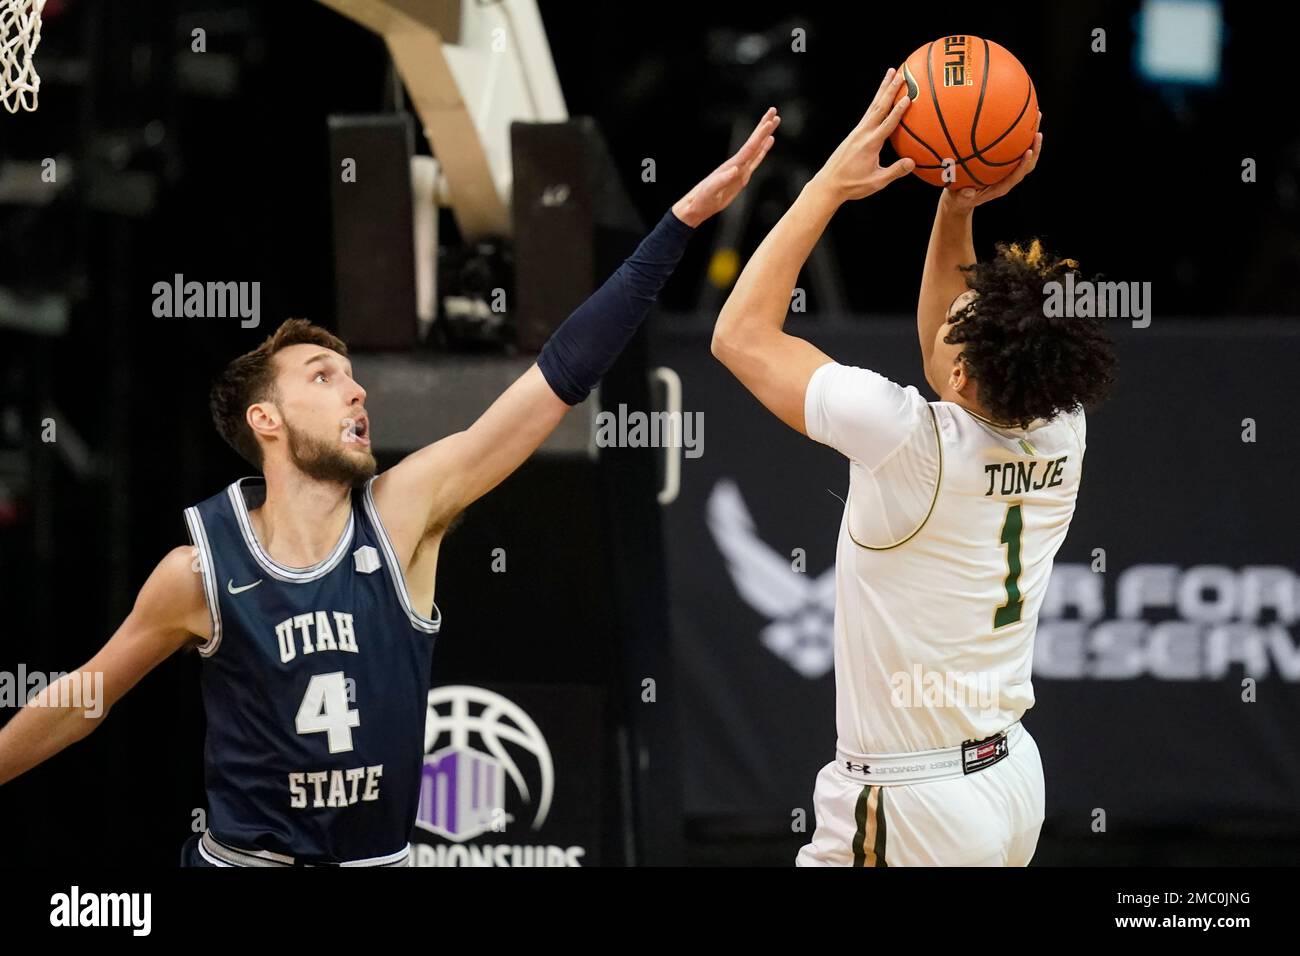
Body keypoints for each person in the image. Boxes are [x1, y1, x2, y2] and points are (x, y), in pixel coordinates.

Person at [0, 109, 781, 867]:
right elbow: (81, 700)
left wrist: (676, 224)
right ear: (265, 419)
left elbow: (559, 375)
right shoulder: (199, 570)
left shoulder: (405, 511)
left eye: (353, 376)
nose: (356, 392)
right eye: (324, 376)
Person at [710, 68, 1116, 865]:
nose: (950, 316)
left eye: (964, 323)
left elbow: (739, 336)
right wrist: (955, 203)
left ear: (964, 374)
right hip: (1006, 778)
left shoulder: (905, 440)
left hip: (911, 799)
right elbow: (949, 352)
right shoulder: (1061, 426)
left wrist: (827, 186)